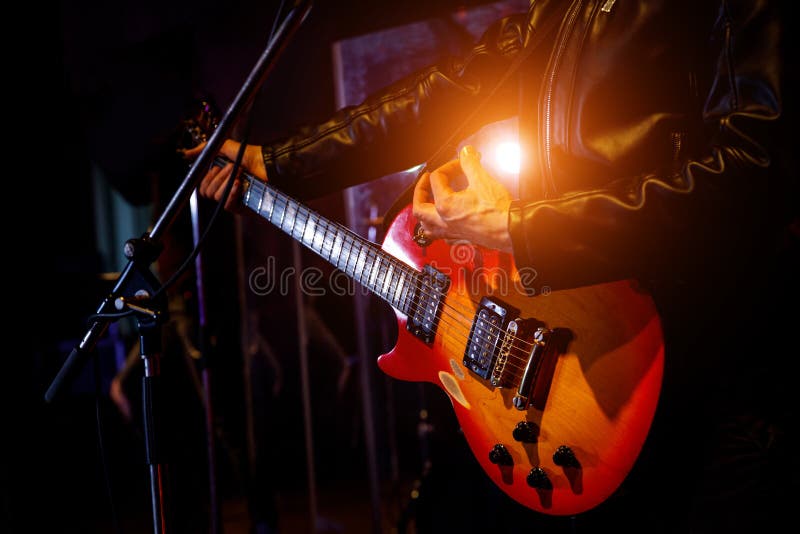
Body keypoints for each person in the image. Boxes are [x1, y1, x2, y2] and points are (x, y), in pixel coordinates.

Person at [191, 1, 796, 532]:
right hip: (584, 372)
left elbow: (749, 175)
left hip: (713, 374)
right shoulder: (557, 10)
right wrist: (279, 160)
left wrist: (518, 227)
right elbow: (440, 93)